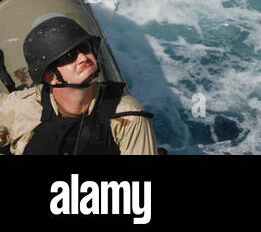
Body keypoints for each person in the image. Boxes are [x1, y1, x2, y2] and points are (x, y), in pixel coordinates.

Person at [0, 15, 157, 155]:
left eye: (84, 48)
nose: (83, 58)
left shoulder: (127, 117)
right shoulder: (22, 107)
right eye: (69, 56)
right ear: (51, 77)